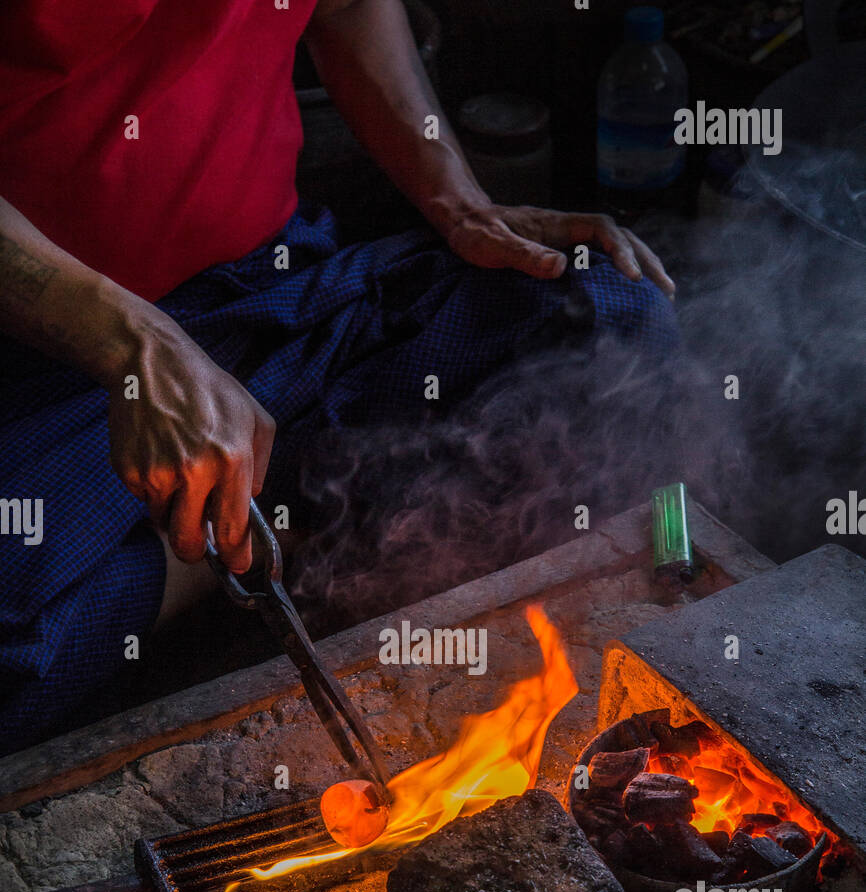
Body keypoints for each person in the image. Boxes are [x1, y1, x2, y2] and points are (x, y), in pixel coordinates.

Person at [0, 0, 677, 755]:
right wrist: (132, 343)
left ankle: (252, 508)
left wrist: (461, 204)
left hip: (277, 296)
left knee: (612, 314)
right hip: (46, 358)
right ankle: (228, 538)